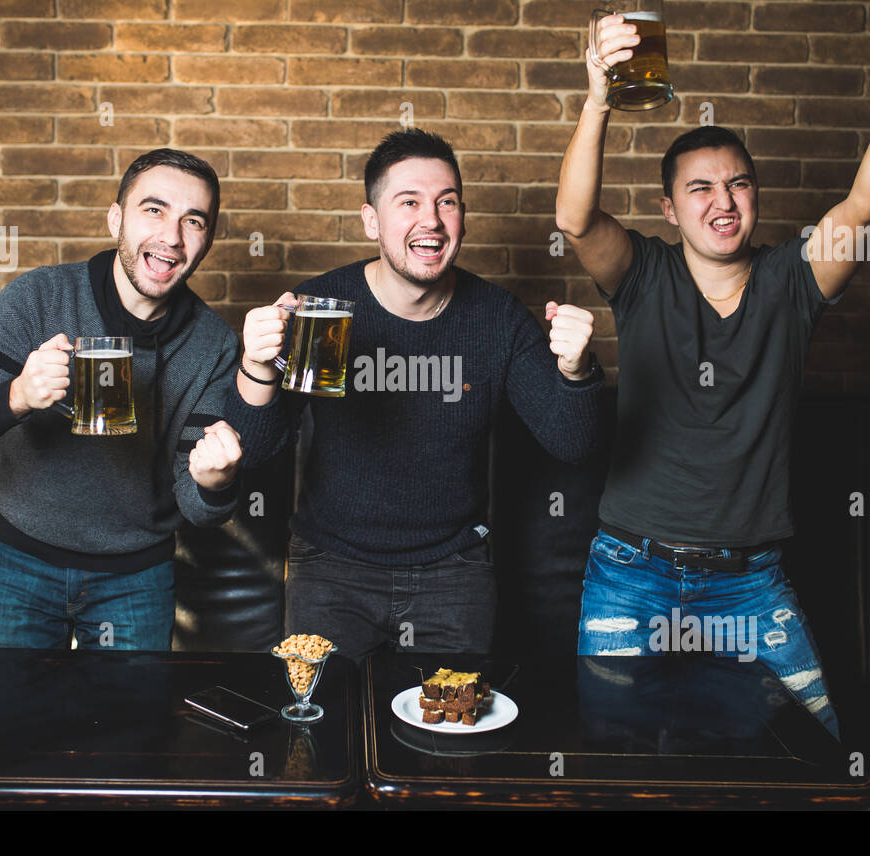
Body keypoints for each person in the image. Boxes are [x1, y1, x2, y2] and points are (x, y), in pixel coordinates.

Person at [557, 5, 870, 738]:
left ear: (755, 198)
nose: (722, 201)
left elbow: (866, 202)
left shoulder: (792, 282)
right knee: (618, 773)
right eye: (700, 188)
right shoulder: (643, 277)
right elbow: (576, 219)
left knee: (815, 761)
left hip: (749, 585)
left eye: (737, 184)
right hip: (630, 574)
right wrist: (598, 97)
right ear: (669, 209)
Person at [225, 128, 604, 661]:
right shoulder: (323, 308)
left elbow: (574, 444)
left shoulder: (497, 319)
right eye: (409, 202)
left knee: (451, 735)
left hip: (454, 574)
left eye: (446, 202)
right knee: (320, 732)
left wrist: (577, 369)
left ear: (462, 217)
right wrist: (258, 365)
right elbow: (256, 450)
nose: (431, 219)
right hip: (331, 571)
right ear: (371, 221)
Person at [0, 148, 243, 650]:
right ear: (116, 219)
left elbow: (201, 511)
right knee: (10, 722)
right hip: (18, 561)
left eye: (193, 221)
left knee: (131, 728)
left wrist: (216, 482)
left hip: (137, 576)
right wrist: (17, 395)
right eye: (153, 210)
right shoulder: (38, 299)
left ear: (208, 240)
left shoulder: (213, 344)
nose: (171, 236)